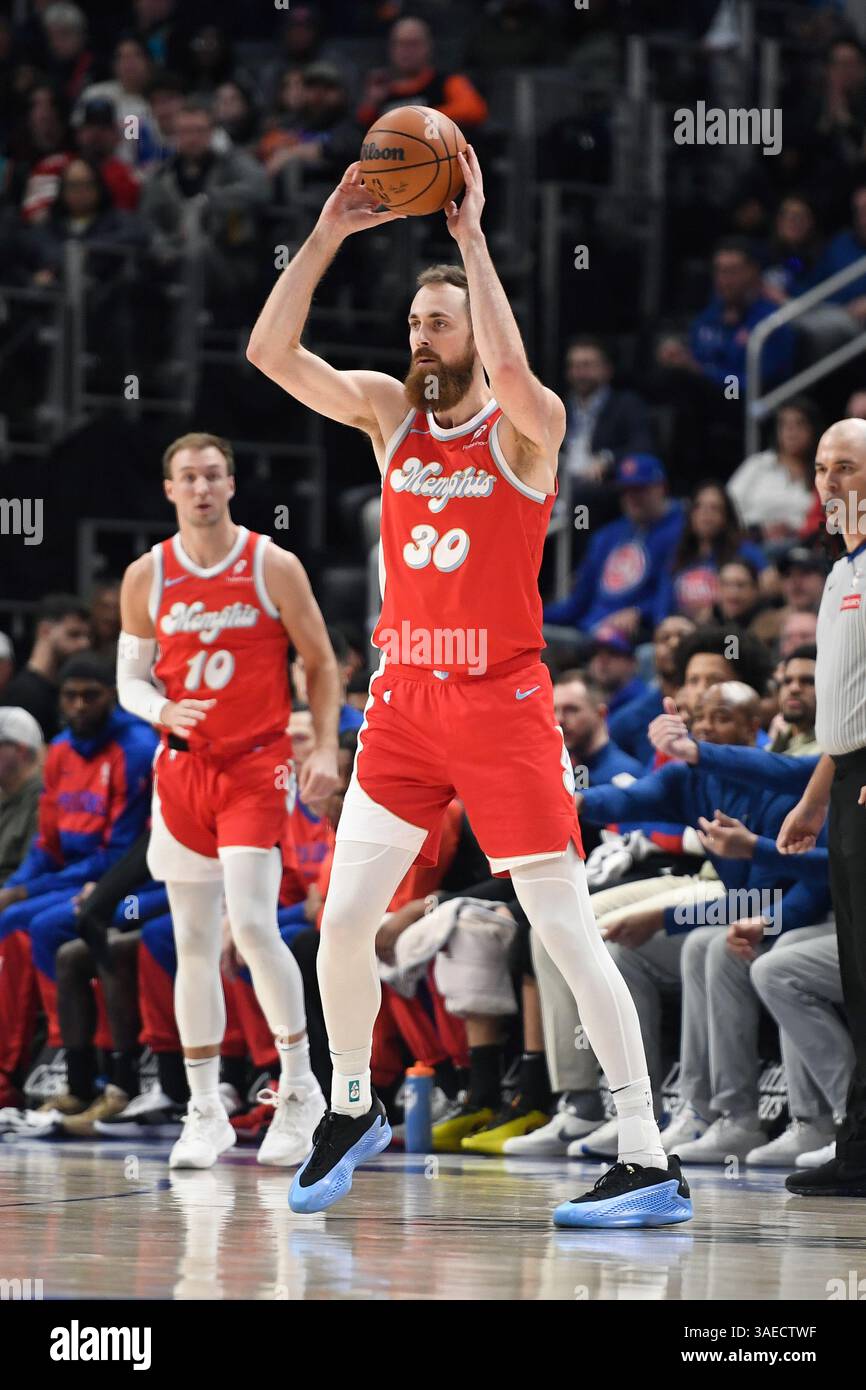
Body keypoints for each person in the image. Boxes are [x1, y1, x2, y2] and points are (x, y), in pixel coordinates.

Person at [248, 151, 692, 1228]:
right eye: (410, 321)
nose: (418, 335)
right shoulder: (388, 419)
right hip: (401, 704)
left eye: (435, 322)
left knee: (562, 931)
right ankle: (350, 1102)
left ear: (475, 339)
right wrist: (328, 233)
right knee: (342, 917)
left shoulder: (524, 430)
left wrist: (470, 243)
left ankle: (643, 1153)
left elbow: (511, 364)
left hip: (499, 706)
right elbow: (269, 351)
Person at [116, 431, 341, 1170]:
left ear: (232, 484)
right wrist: (159, 713)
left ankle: (302, 1086)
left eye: (214, 475)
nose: (203, 487)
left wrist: (324, 746)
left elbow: (320, 660)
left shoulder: (270, 564)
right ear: (170, 489)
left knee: (249, 925)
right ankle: (205, 1107)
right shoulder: (146, 575)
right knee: (191, 945)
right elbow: (132, 680)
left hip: (255, 765)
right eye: (189, 477)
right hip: (182, 773)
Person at [776, 416, 866, 1196]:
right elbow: (843, 711)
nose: (830, 482)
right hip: (844, 781)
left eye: (846, 468)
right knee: (858, 972)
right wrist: (812, 801)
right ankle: (859, 1145)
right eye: (822, 469)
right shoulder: (840, 570)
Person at [544, 454, 685, 641]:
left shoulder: (682, 532)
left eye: (640, 489)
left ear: (662, 488)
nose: (632, 498)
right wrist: (530, 615)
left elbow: (674, 593)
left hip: (635, 636)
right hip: (588, 631)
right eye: (626, 490)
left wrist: (640, 612)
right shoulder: (606, 536)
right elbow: (576, 605)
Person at [689, 237, 797, 394]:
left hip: (747, 410)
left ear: (753, 272)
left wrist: (702, 374)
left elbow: (753, 388)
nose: (723, 280)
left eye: (732, 272)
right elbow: (698, 360)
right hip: (705, 405)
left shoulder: (771, 323)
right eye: (719, 271)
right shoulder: (708, 317)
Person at [661, 480, 769, 624]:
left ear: (726, 516)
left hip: (729, 632)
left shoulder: (745, 551)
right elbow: (662, 605)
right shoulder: (677, 556)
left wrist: (719, 608)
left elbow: (769, 584)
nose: (706, 513)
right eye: (699, 507)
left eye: (714, 508)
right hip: (681, 633)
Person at [356, 16, 488, 132]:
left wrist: (419, 119)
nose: (406, 51)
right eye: (400, 43)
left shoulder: (448, 81)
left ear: (428, 47)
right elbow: (363, 128)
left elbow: (474, 111)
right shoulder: (382, 87)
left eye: (413, 44)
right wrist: (371, 103)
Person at [727, 398, 820, 542]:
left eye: (799, 424)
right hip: (751, 543)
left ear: (813, 430)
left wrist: (794, 529)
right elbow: (728, 507)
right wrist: (758, 530)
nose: (791, 431)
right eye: (784, 424)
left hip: (801, 548)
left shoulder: (823, 473)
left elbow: (823, 520)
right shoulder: (758, 464)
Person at [0, 593, 91, 740]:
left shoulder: (64, 689)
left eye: (87, 636)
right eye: (74, 634)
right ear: (45, 631)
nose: (84, 643)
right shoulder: (22, 694)